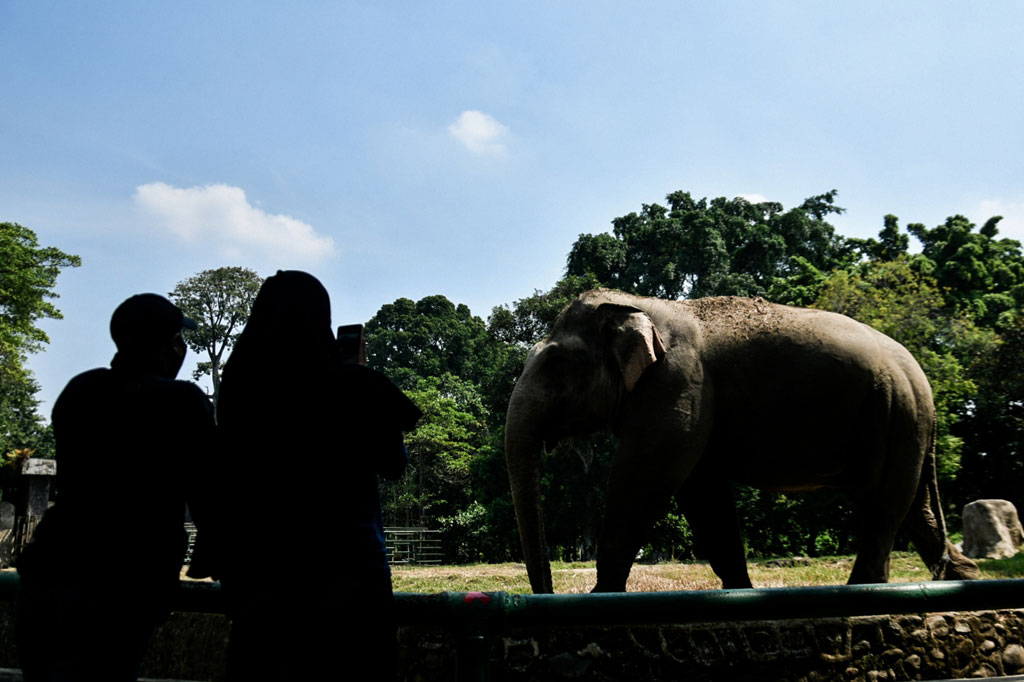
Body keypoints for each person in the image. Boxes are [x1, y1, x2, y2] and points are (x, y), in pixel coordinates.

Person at [208, 270, 420, 681]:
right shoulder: (357, 386)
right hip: (350, 569)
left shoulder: (238, 387)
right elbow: (394, 464)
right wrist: (358, 377)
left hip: (261, 573)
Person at [15, 293, 215, 682]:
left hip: (49, 567)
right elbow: (209, 491)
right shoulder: (181, 401)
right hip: (126, 582)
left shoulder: (82, 390)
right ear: (172, 343)